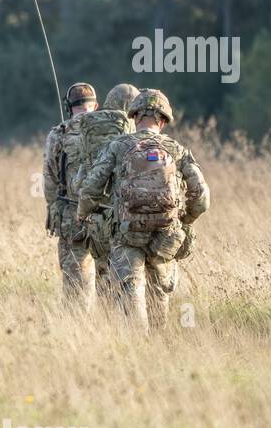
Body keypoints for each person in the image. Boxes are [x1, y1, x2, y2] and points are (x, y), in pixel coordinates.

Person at [77, 89, 210, 330]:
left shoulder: (117, 146)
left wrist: (83, 213)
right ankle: (158, 348)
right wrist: (183, 219)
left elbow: (90, 188)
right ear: (163, 120)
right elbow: (202, 198)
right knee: (159, 294)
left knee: (131, 291)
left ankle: (139, 345)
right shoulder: (176, 149)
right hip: (166, 236)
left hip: (127, 235)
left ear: (135, 117)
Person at [71, 83, 141, 306]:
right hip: (128, 217)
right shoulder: (136, 133)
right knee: (131, 278)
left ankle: (106, 328)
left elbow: (80, 182)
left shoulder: (91, 128)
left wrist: (83, 210)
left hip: (98, 218)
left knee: (103, 276)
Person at [43, 82, 100, 308]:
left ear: (69, 106)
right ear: (95, 106)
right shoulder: (110, 132)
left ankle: (78, 325)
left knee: (75, 278)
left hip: (71, 213)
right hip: (103, 214)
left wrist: (52, 208)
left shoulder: (58, 133)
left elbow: (49, 177)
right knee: (108, 274)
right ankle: (111, 324)